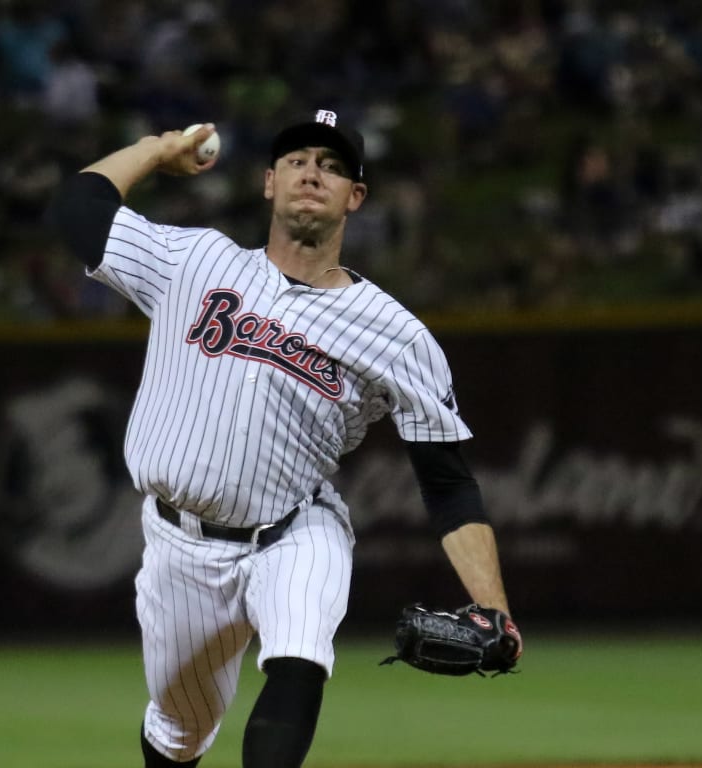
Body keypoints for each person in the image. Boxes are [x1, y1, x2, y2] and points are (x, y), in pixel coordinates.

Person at [48, 110, 522, 768]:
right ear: (270, 183)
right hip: (178, 548)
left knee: (299, 660)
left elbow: (448, 484)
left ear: (354, 197)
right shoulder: (192, 261)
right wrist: (156, 150)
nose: (312, 173)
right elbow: (77, 207)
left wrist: (494, 609)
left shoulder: (397, 336)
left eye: (331, 166)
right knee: (180, 732)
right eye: (297, 160)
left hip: (297, 530)